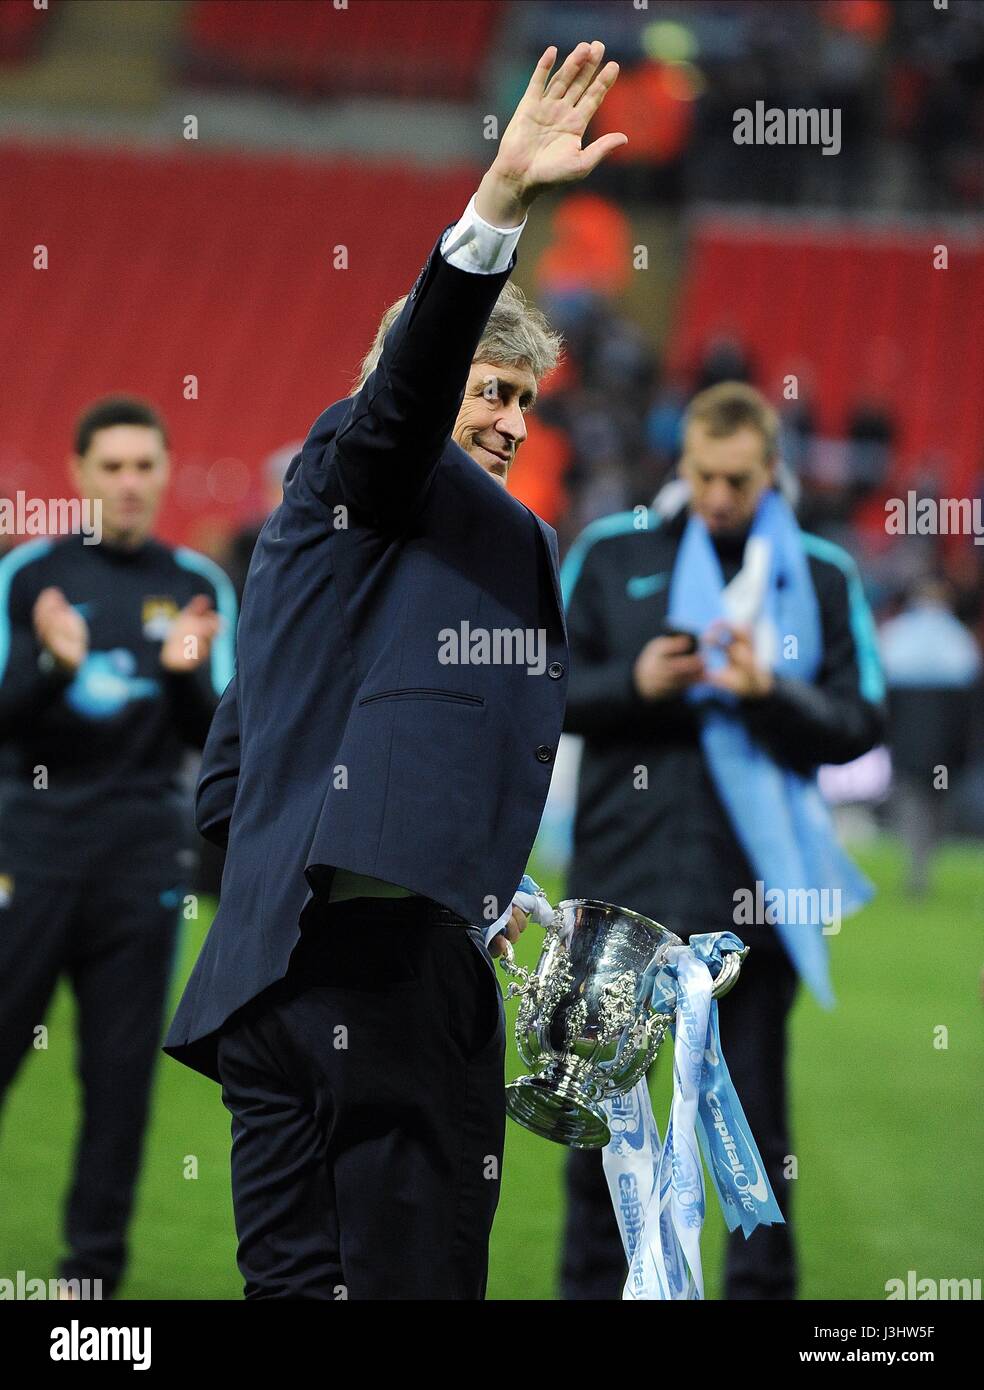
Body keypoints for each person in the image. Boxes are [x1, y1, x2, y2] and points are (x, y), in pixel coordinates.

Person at [163, 41, 628, 1300]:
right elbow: (409, 397)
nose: (513, 424)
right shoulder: (360, 467)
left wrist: (456, 875)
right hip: (375, 982)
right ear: (409, 390)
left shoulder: (332, 566)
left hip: (277, 976)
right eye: (490, 388)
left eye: (530, 403)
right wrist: (501, 203)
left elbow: (224, 792)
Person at [558, 381, 885, 1299]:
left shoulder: (818, 573)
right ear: (683, 461)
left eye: (737, 481)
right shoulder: (612, 552)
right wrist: (635, 683)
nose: (716, 498)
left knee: (753, 1142)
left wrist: (767, 693)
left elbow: (861, 721)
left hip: (755, 906)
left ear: (771, 470)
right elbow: (545, 688)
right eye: (702, 475)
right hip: (618, 898)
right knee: (601, 1140)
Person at [0, 395, 236, 1298]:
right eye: (113, 467)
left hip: (143, 865)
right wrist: (50, 663)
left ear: (166, 471)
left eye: (146, 466)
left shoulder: (200, 587)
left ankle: (85, 1293)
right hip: (32, 852)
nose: (130, 483)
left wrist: (183, 676)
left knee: (119, 1087)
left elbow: (222, 744)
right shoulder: (30, 576)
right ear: (80, 473)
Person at [879, 577, 982, 895]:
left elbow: (882, 689)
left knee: (912, 796)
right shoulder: (957, 638)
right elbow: (970, 694)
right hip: (944, 739)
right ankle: (923, 860)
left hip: (908, 735)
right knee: (936, 797)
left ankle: (917, 860)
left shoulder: (896, 634)